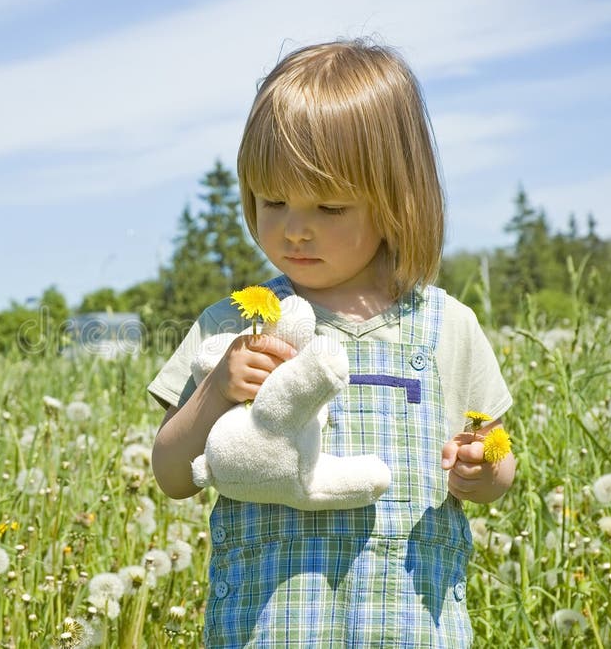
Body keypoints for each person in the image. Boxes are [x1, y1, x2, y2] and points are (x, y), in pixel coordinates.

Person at [149, 39, 514, 647]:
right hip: (266, 629)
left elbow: (496, 464)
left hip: (410, 629)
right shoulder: (236, 323)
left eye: (330, 205)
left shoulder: (447, 327)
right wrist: (215, 392)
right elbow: (172, 473)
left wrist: (483, 471)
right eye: (272, 201)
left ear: (395, 201)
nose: (295, 228)